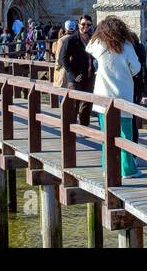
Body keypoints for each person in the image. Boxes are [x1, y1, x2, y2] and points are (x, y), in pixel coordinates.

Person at [86, 15, 141, 178]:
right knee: (125, 135)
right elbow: (136, 68)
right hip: (123, 96)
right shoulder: (127, 46)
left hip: (102, 98)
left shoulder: (97, 44)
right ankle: (127, 169)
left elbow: (88, 48)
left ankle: (108, 166)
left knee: (106, 135)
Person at [55, 19, 93, 126]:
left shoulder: (93, 39)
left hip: (89, 77)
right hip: (76, 78)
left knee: (86, 106)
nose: (86, 26)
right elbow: (63, 59)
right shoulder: (71, 39)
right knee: (74, 105)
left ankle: (85, 129)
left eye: (88, 24)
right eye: (83, 24)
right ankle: (71, 131)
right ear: (78, 25)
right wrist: (73, 75)